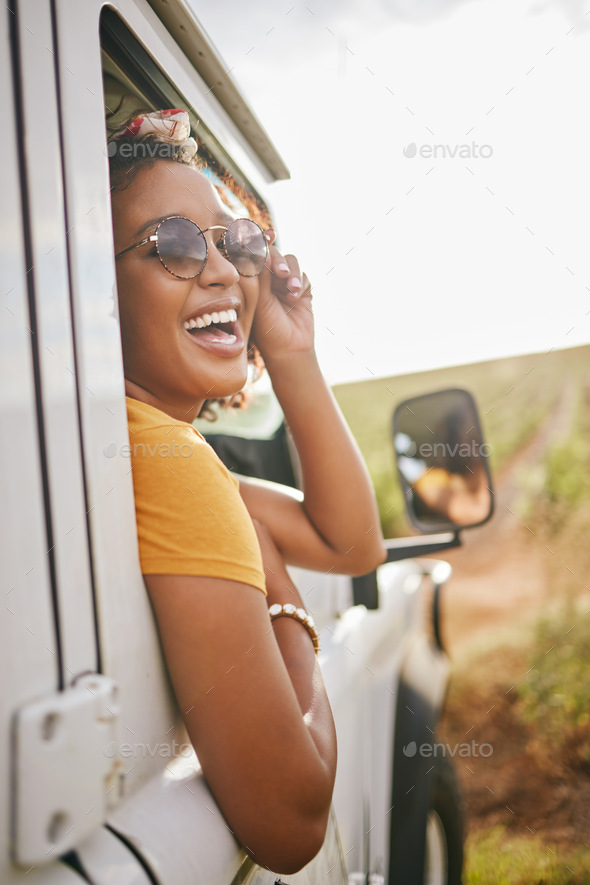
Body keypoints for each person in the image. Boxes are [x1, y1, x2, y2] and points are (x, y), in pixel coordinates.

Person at [108, 109, 386, 874]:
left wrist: (291, 351)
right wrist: (284, 602)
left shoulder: (146, 444)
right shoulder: (166, 458)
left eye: (236, 244)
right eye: (173, 243)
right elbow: (293, 821)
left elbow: (349, 540)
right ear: (92, 294)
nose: (226, 271)